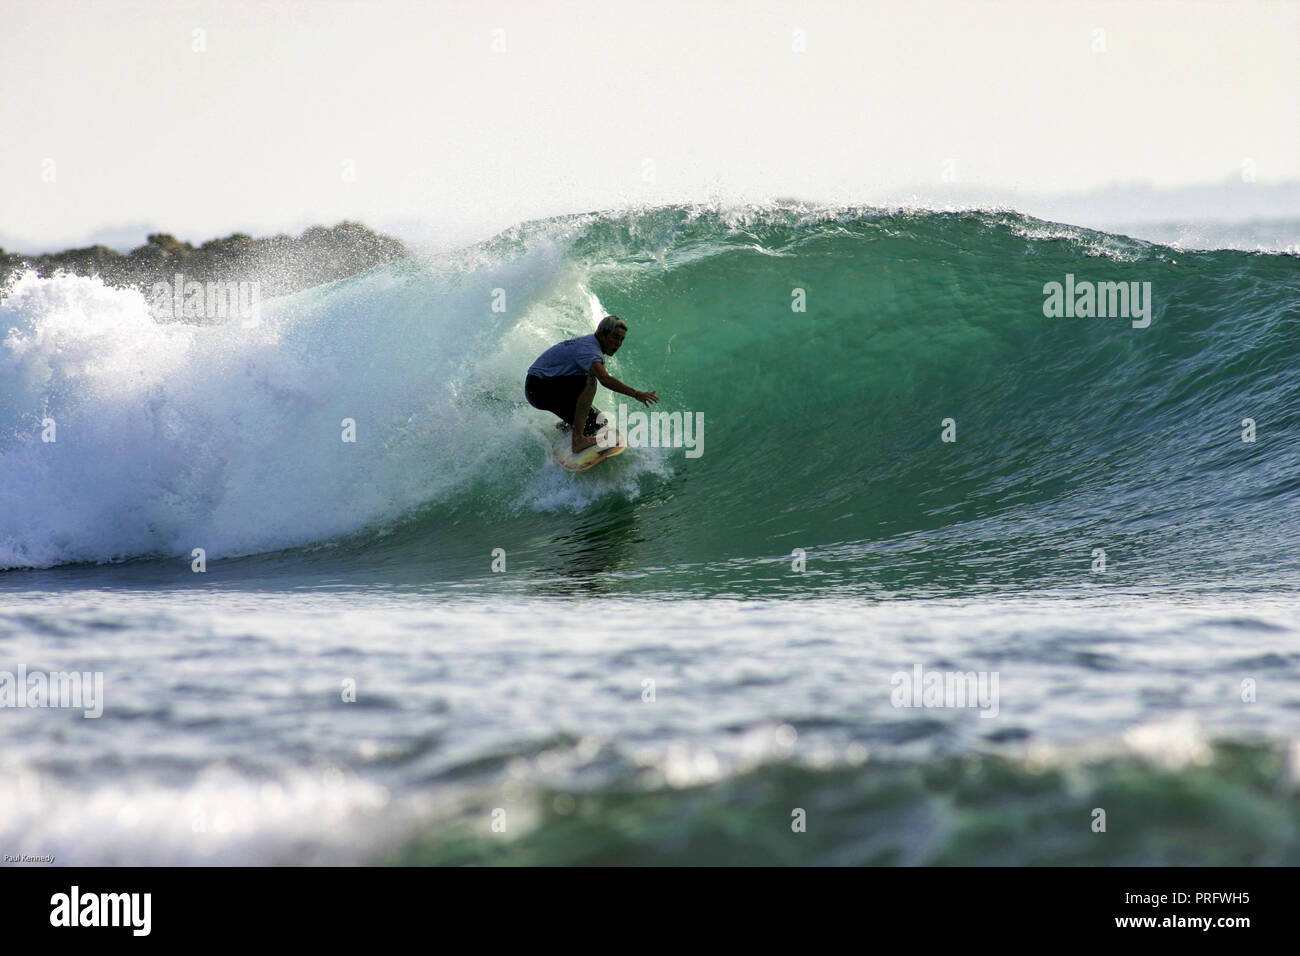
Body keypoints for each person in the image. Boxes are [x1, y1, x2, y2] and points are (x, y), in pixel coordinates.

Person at [525, 315, 659, 453]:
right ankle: (578, 440)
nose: (618, 344)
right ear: (601, 334)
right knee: (590, 380)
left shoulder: (590, 343)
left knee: (598, 424)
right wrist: (636, 394)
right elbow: (605, 379)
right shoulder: (590, 351)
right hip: (539, 389)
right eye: (615, 337)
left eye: (621, 339)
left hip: (542, 386)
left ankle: (568, 425)